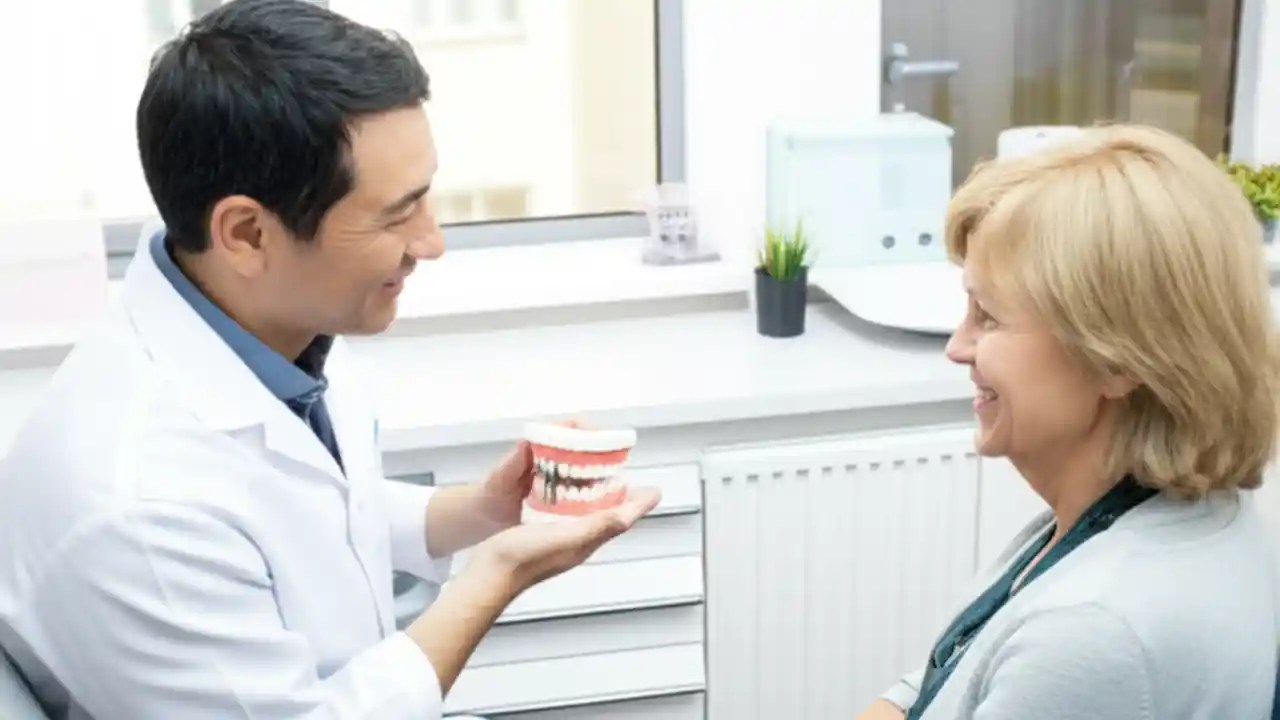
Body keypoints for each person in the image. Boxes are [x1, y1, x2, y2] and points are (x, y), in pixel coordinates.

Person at [0, 1, 658, 718]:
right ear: (248, 234)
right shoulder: (138, 509)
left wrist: (479, 511)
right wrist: (492, 579)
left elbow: (320, 513)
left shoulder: (264, 326)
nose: (432, 242)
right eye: (397, 214)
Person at [856, 125, 1280, 719]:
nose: (958, 346)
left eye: (988, 316)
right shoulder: (1159, 518)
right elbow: (946, 679)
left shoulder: (1092, 633)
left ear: (1117, 361)